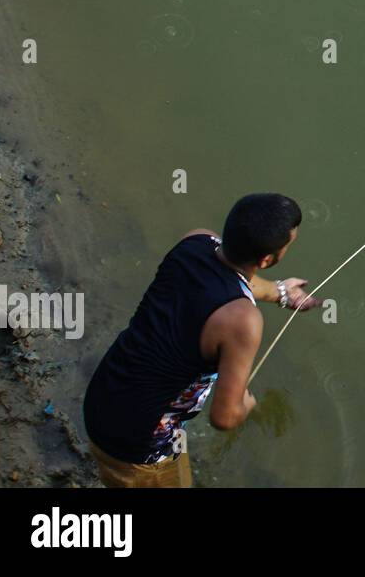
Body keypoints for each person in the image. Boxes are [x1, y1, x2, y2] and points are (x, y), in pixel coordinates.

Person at [82, 193, 322, 487]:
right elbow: (223, 418)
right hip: (137, 441)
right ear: (267, 259)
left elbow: (227, 280)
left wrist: (281, 292)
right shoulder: (243, 320)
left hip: (103, 393)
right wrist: (246, 406)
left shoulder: (196, 241)